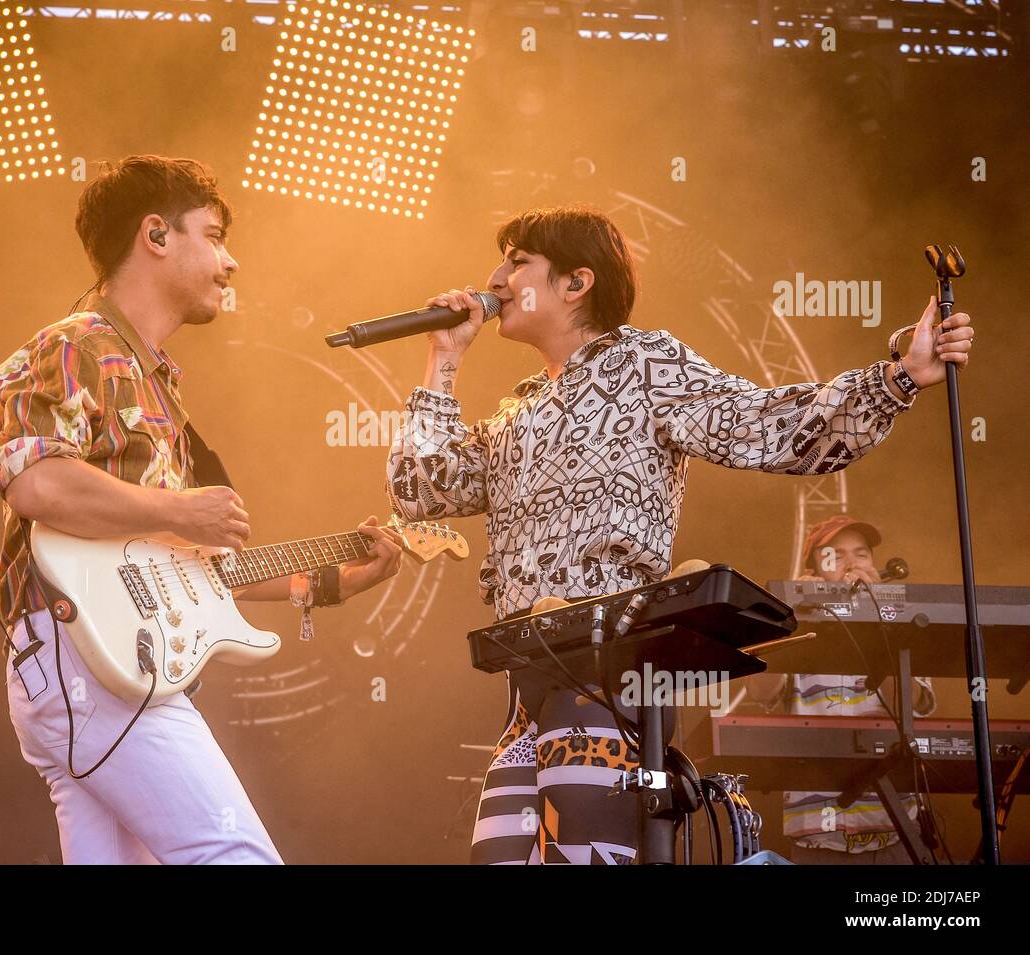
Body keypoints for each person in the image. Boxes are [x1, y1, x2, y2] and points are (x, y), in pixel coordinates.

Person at [385, 203, 974, 864]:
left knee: (586, 857)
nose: (494, 279)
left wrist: (896, 378)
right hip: (527, 683)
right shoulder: (518, 409)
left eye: (518, 262)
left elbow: (768, 425)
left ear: (576, 283)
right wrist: (443, 357)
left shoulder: (644, 365)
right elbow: (419, 489)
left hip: (609, 673)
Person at [0, 155, 403, 864]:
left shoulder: (153, 381)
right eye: (213, 236)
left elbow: (190, 569)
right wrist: (180, 509)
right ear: (155, 234)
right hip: (86, 663)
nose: (230, 260)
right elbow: (35, 483)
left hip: (85, 667)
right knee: (234, 855)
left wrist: (328, 582)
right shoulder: (77, 344)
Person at [747, 515, 936, 864]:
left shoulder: (900, 621)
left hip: (897, 832)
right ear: (815, 570)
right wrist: (786, 618)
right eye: (837, 554)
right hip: (818, 838)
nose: (852, 564)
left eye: (861, 554)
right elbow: (763, 691)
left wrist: (880, 624)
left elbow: (916, 704)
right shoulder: (798, 627)